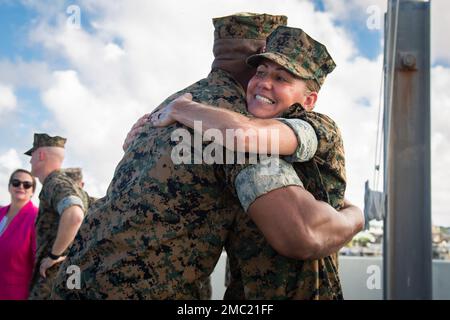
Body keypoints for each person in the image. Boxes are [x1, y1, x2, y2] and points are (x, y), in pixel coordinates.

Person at [52, 13, 362, 300]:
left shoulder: (176, 104)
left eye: (282, 76)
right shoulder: (224, 122)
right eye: (262, 68)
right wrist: (355, 218)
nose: (265, 81)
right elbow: (301, 234)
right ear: (255, 57)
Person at [25, 133, 90, 299]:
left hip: (52, 281)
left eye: (31, 155)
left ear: (40, 155)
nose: (30, 161)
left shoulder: (54, 182)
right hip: (65, 279)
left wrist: (53, 256)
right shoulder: (66, 184)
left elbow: (74, 214)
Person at [0, 169, 38, 300]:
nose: (21, 186)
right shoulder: (0, 212)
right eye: (16, 183)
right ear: (10, 187)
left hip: (15, 294)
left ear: (32, 191)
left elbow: (38, 263)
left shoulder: (37, 218)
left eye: (27, 184)